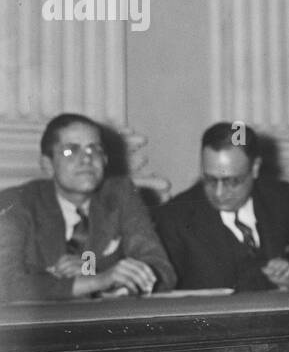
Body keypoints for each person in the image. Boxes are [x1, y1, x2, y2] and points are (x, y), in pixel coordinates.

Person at [0, 113, 175, 301]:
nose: (86, 159)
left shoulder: (120, 194)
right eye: (70, 151)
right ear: (48, 164)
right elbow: (6, 285)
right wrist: (98, 281)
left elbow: (161, 269)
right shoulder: (17, 203)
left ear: (105, 160)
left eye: (94, 149)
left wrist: (105, 281)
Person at [154, 122, 289, 290]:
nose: (219, 193)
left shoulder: (282, 199)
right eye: (210, 180)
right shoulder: (175, 218)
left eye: (232, 181)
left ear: (255, 168)